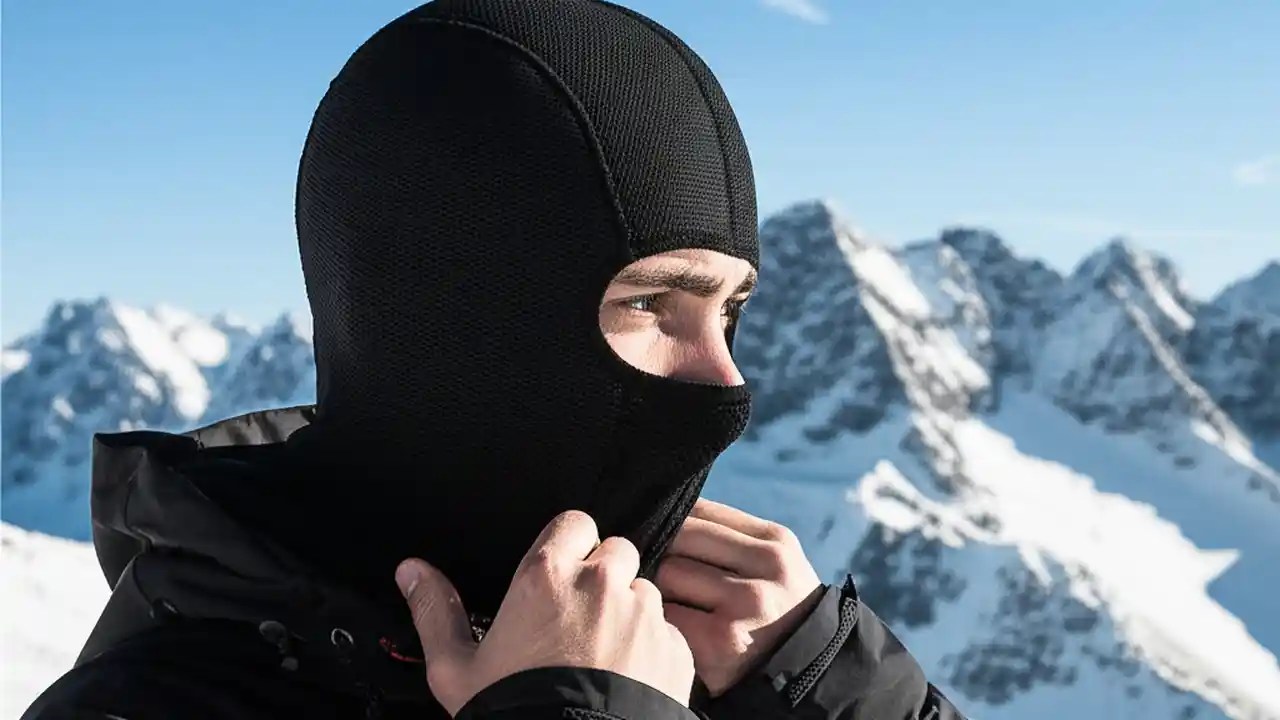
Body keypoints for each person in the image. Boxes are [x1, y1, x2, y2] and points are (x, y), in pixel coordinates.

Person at [23, 1, 965, 718]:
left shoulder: (685, 648)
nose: (725, 382)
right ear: (451, 321)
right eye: (648, 302)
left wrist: (827, 689)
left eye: (733, 309)